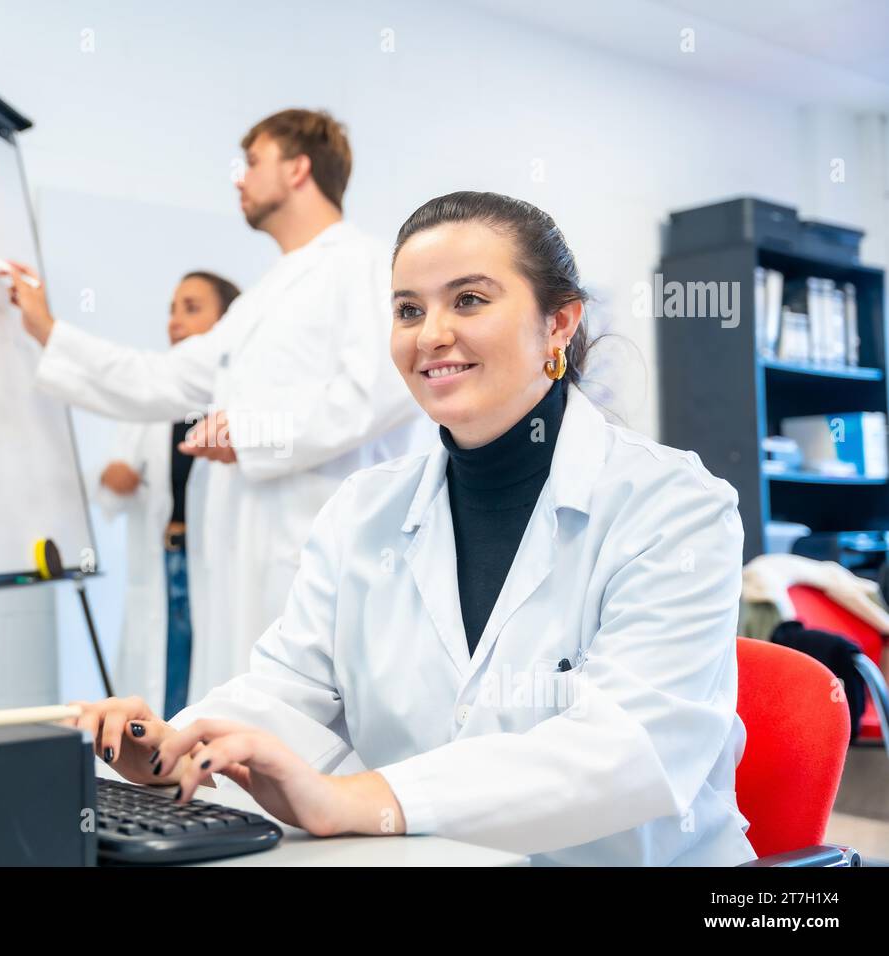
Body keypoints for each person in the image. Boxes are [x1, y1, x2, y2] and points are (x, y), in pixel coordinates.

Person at [60, 191, 757, 866]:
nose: (431, 335)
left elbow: (631, 750)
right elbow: (285, 691)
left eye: (470, 300)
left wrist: (362, 800)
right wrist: (168, 751)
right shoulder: (365, 511)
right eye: (407, 309)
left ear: (559, 324)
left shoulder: (674, 505)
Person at [0, 109, 418, 702]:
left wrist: (250, 435)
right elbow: (163, 378)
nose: (238, 179)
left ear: (299, 168)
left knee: (304, 744)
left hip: (311, 555)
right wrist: (48, 331)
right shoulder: (262, 297)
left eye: (252, 162)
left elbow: (381, 392)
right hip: (235, 562)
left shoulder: (367, 265)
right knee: (236, 732)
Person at [94, 271, 241, 719]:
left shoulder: (240, 400)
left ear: (227, 323)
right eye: (172, 309)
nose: (175, 320)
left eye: (191, 308)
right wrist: (113, 478)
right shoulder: (153, 401)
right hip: (165, 563)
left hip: (218, 563)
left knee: (214, 681)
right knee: (166, 683)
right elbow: (116, 478)